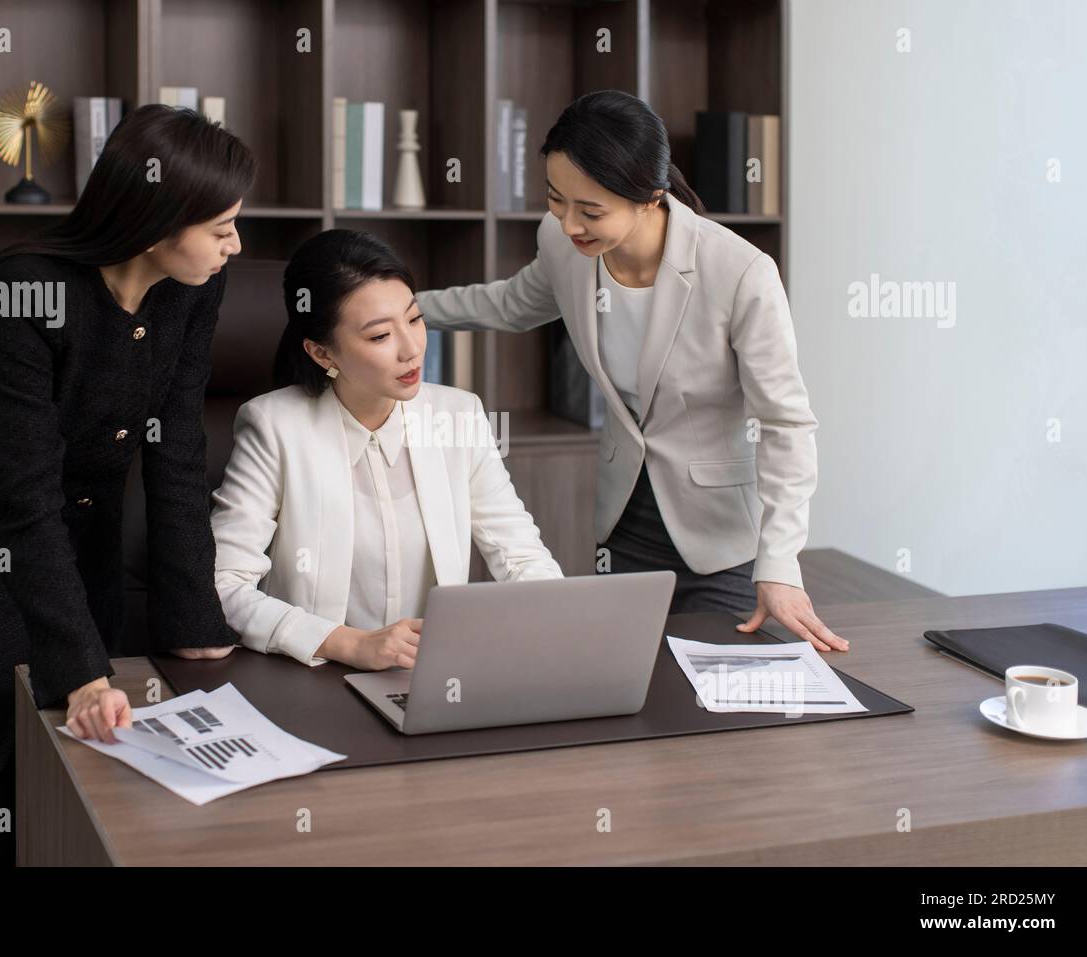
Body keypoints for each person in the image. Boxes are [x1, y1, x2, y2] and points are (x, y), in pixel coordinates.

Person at [0, 105, 251, 866]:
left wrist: (193, 624)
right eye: (222, 226)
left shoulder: (192, 288)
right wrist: (78, 668)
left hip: (79, 569)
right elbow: (22, 495)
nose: (237, 244)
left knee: (72, 816)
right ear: (156, 220)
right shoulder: (22, 289)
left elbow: (175, 458)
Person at [415, 90, 848, 653]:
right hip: (624, 520)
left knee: (714, 699)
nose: (569, 224)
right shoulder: (565, 243)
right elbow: (510, 304)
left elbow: (786, 425)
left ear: (651, 197)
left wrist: (782, 561)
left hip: (721, 539)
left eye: (591, 210)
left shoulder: (739, 272)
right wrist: (399, 308)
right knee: (620, 678)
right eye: (555, 199)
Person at [210, 228, 564, 669]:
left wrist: (558, 619)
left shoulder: (459, 416)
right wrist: (349, 644)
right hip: (315, 678)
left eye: (414, 320)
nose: (412, 349)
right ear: (323, 354)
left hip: (434, 676)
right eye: (380, 336)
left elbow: (519, 554)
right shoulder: (275, 427)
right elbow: (223, 586)